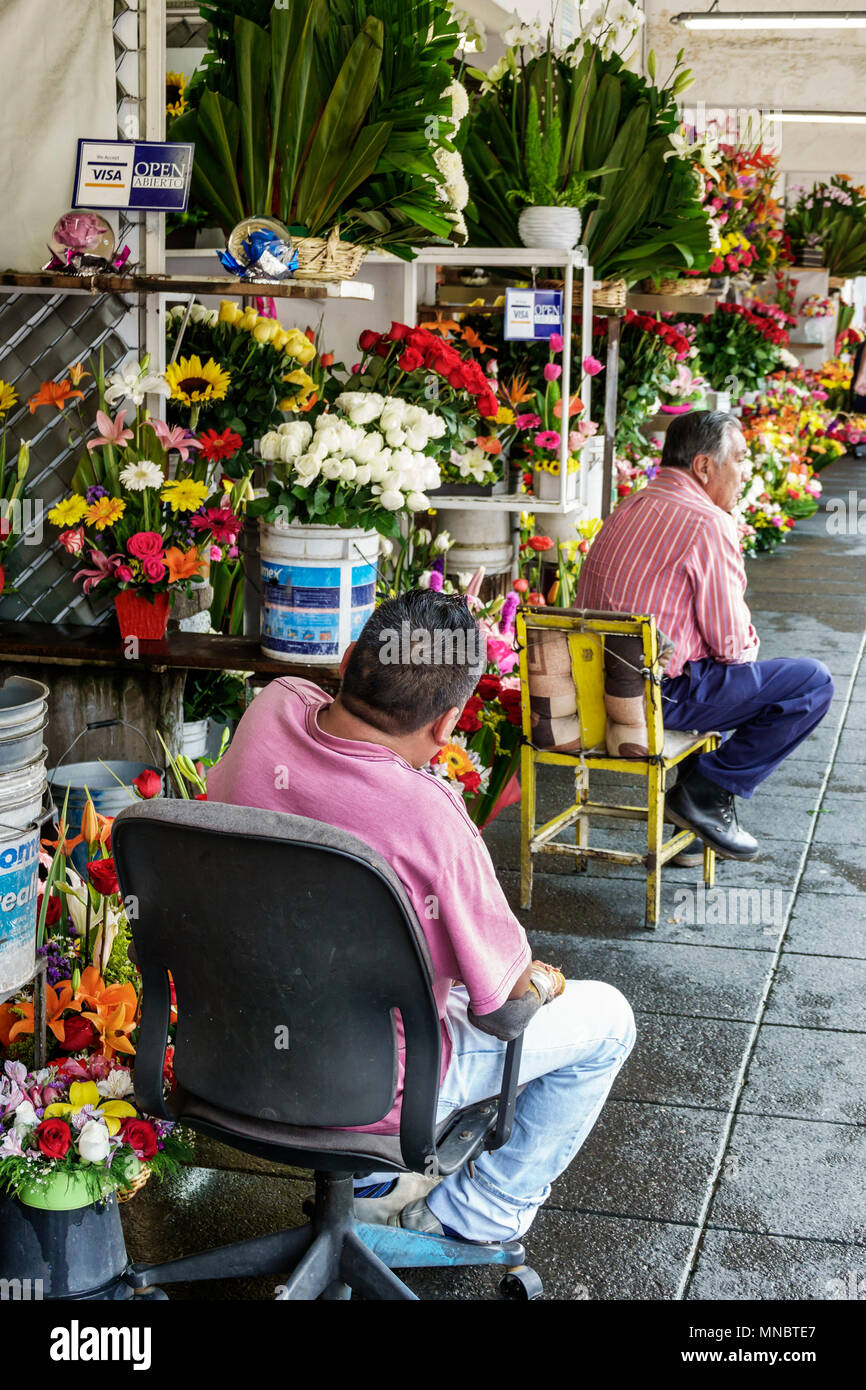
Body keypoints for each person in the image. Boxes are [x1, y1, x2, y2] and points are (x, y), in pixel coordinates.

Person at [207, 589, 635, 1245]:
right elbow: (500, 1008)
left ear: (348, 660)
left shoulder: (272, 707)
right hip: (373, 1088)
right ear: (447, 726)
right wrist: (541, 982)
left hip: (228, 1051)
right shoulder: (432, 819)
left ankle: (376, 1188)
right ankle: (480, 1210)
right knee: (608, 1021)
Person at [577, 410, 834, 860]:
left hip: (585, 691)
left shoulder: (631, 505)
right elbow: (733, 647)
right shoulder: (707, 523)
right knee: (811, 684)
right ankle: (706, 793)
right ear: (703, 466)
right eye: (739, 458)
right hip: (651, 697)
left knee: (707, 666)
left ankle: (691, 825)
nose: (744, 471)